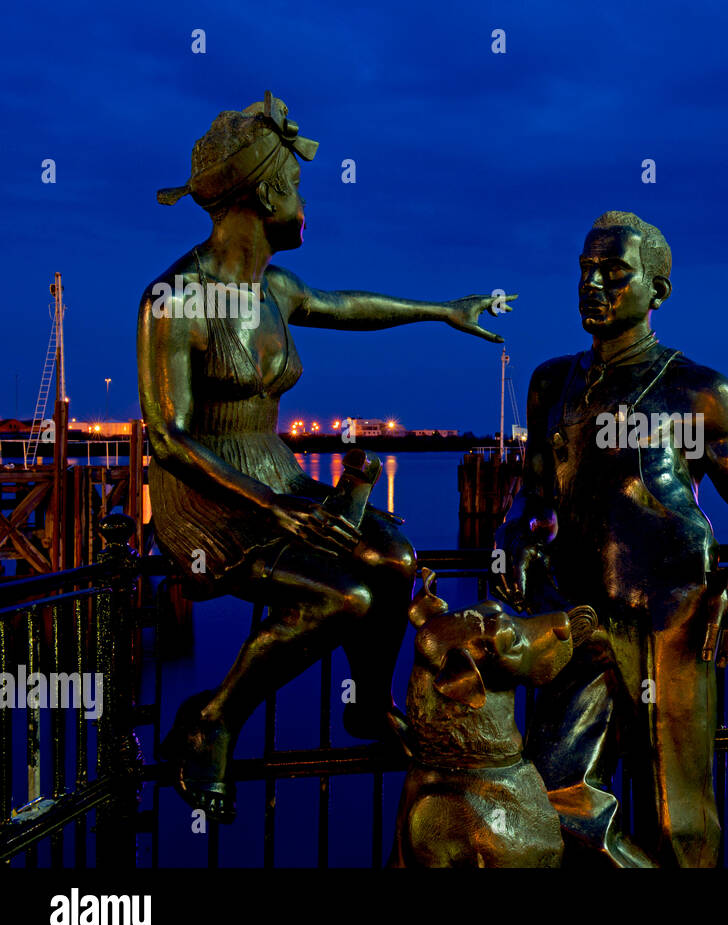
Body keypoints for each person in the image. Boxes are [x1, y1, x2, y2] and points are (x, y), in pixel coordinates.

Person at [139, 92, 514, 822]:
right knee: (344, 595)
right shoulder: (174, 299)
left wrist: (441, 310)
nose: (306, 203)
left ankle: (368, 709)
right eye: (299, 188)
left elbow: (347, 306)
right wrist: (273, 507)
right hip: (211, 501)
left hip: (275, 475)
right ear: (267, 193)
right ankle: (212, 720)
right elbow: (166, 437)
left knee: (397, 555)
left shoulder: (275, 289)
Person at [493, 211, 728, 867]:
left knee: (678, 815)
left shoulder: (697, 391)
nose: (593, 284)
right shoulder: (550, 384)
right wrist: (515, 531)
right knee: (544, 795)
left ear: (658, 291)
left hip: (670, 618)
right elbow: (538, 499)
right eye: (586, 271)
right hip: (579, 618)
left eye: (615, 273)